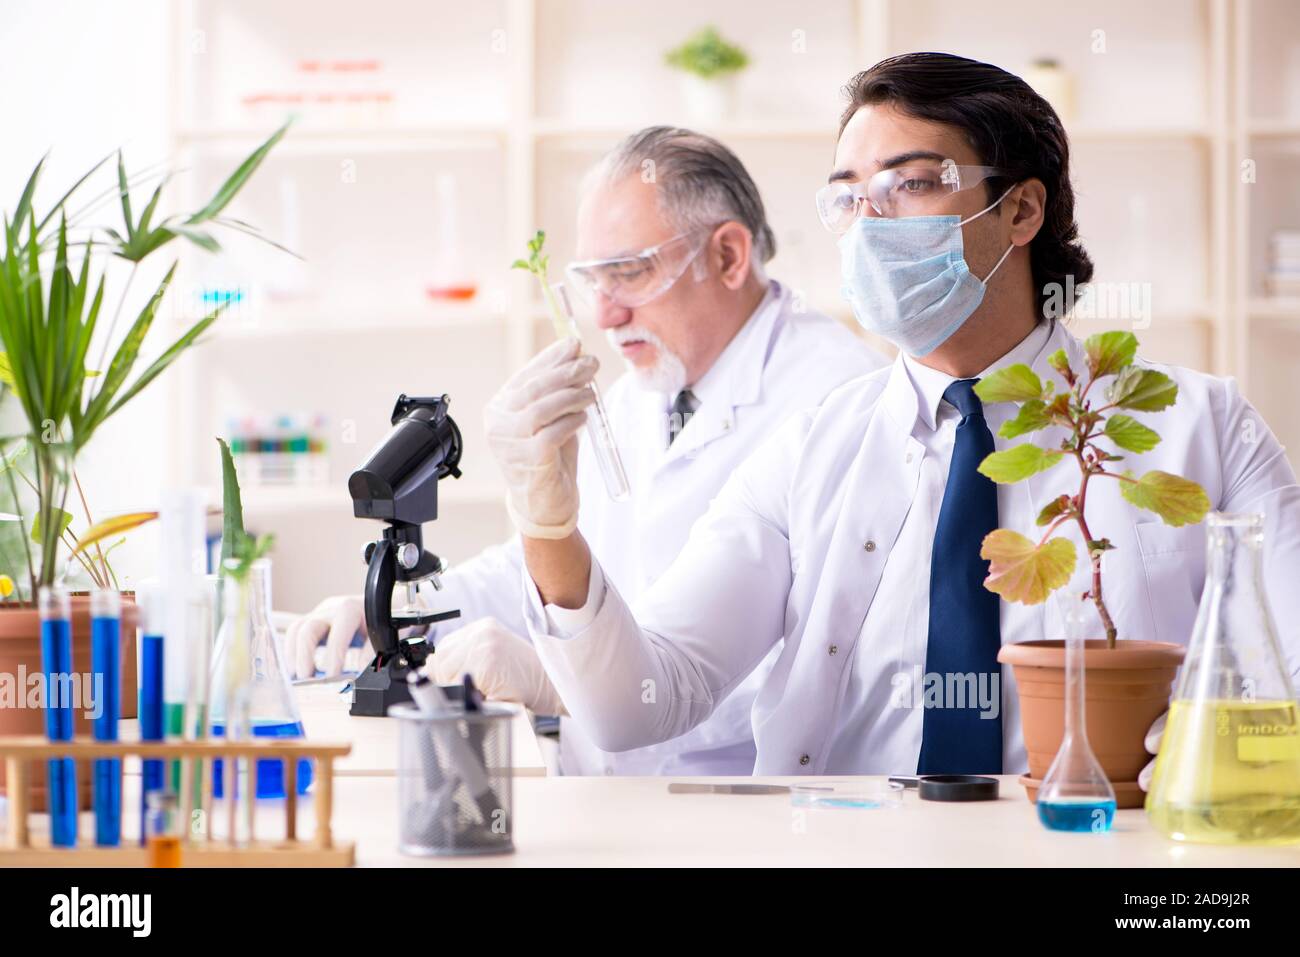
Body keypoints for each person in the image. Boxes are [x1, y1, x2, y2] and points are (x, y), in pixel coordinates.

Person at [495, 53, 1300, 778]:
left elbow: (1291, 674)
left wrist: (1226, 742)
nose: (868, 224)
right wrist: (549, 530)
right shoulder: (811, 447)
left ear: (1021, 211)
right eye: (848, 197)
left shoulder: (1203, 428)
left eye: (910, 183)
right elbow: (641, 704)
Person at [288, 126, 886, 775]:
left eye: (629, 272)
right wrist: (405, 612)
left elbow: (812, 672)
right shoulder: (644, 391)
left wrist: (563, 680)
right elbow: (540, 569)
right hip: (599, 793)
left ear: (728, 256)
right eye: (592, 280)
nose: (605, 315)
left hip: (730, 804)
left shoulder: (838, 401)